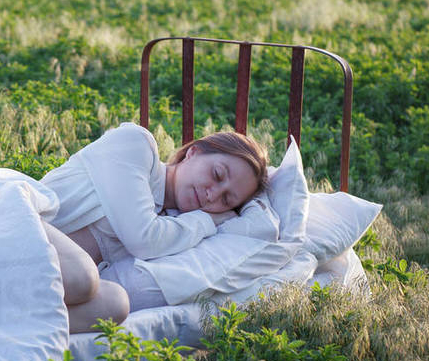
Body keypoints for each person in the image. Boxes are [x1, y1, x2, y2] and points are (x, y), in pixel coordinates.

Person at [40, 122, 269, 332]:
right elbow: (143, 240)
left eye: (226, 200)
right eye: (217, 174)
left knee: (115, 304)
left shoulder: (174, 229)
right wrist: (207, 220)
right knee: (83, 277)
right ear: (194, 152)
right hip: (23, 228)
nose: (213, 194)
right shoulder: (135, 145)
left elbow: (264, 227)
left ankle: (11, 319)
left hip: (46, 280)